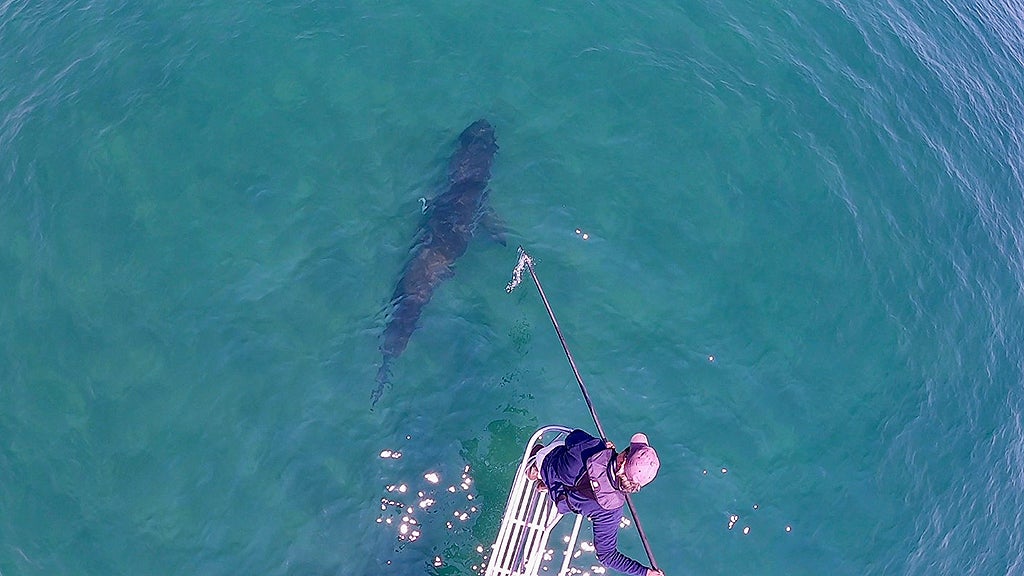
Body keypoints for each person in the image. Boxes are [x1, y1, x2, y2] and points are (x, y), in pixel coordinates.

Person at [526, 429, 665, 576]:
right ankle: (546, 484)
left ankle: (536, 469)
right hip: (562, 500)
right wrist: (645, 572)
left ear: (622, 459)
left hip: (547, 463)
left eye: (628, 449)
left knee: (560, 451)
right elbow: (607, 556)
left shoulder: (592, 447)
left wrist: (605, 449)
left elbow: (573, 436)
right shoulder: (612, 510)